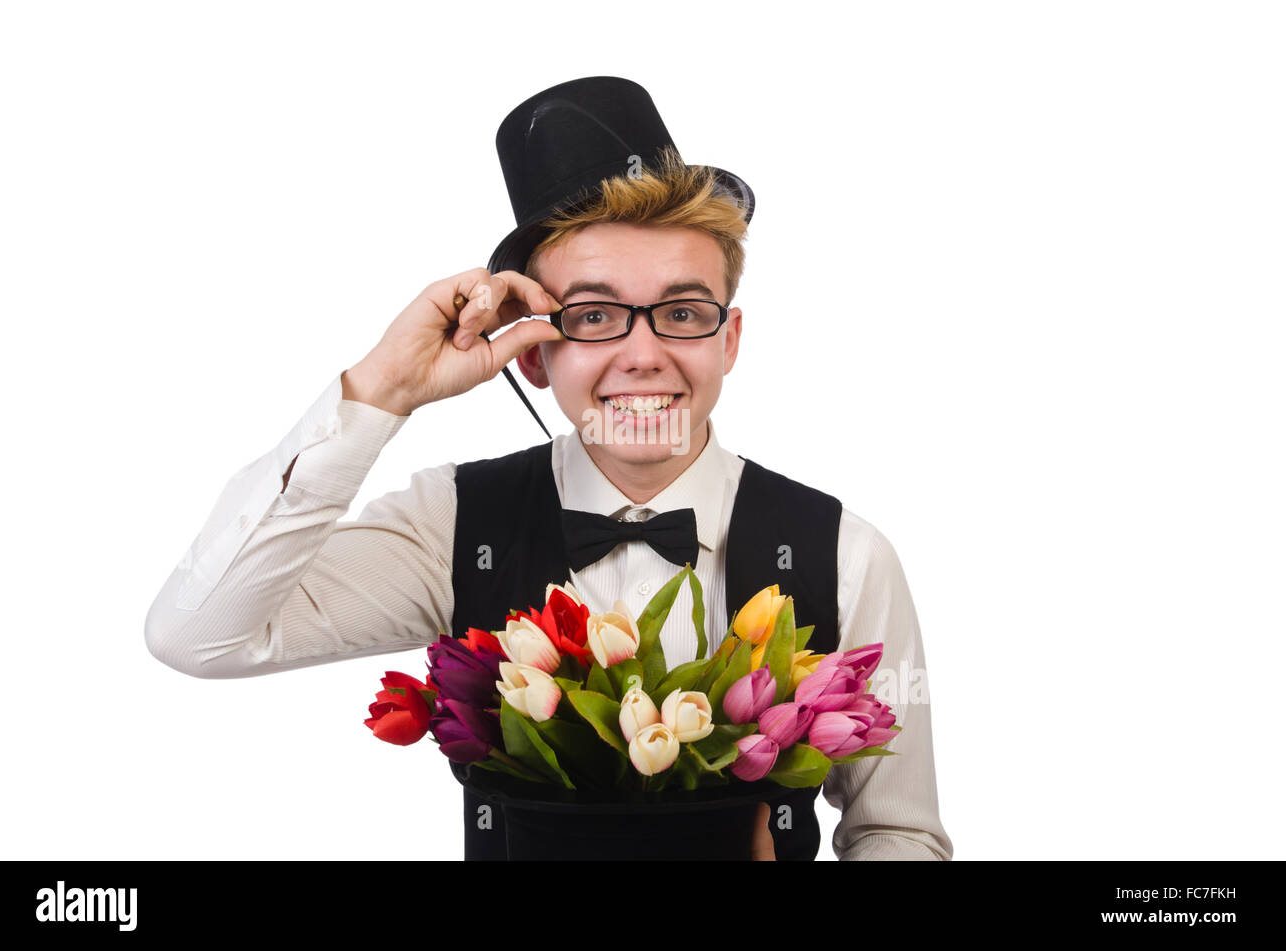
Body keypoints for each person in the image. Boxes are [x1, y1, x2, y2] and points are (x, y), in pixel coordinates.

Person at [144, 76, 953, 861]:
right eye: (594, 316)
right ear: (533, 353)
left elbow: (898, 833)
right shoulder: (451, 525)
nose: (644, 354)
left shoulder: (845, 554)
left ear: (728, 338)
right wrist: (378, 390)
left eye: (681, 313)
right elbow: (199, 635)